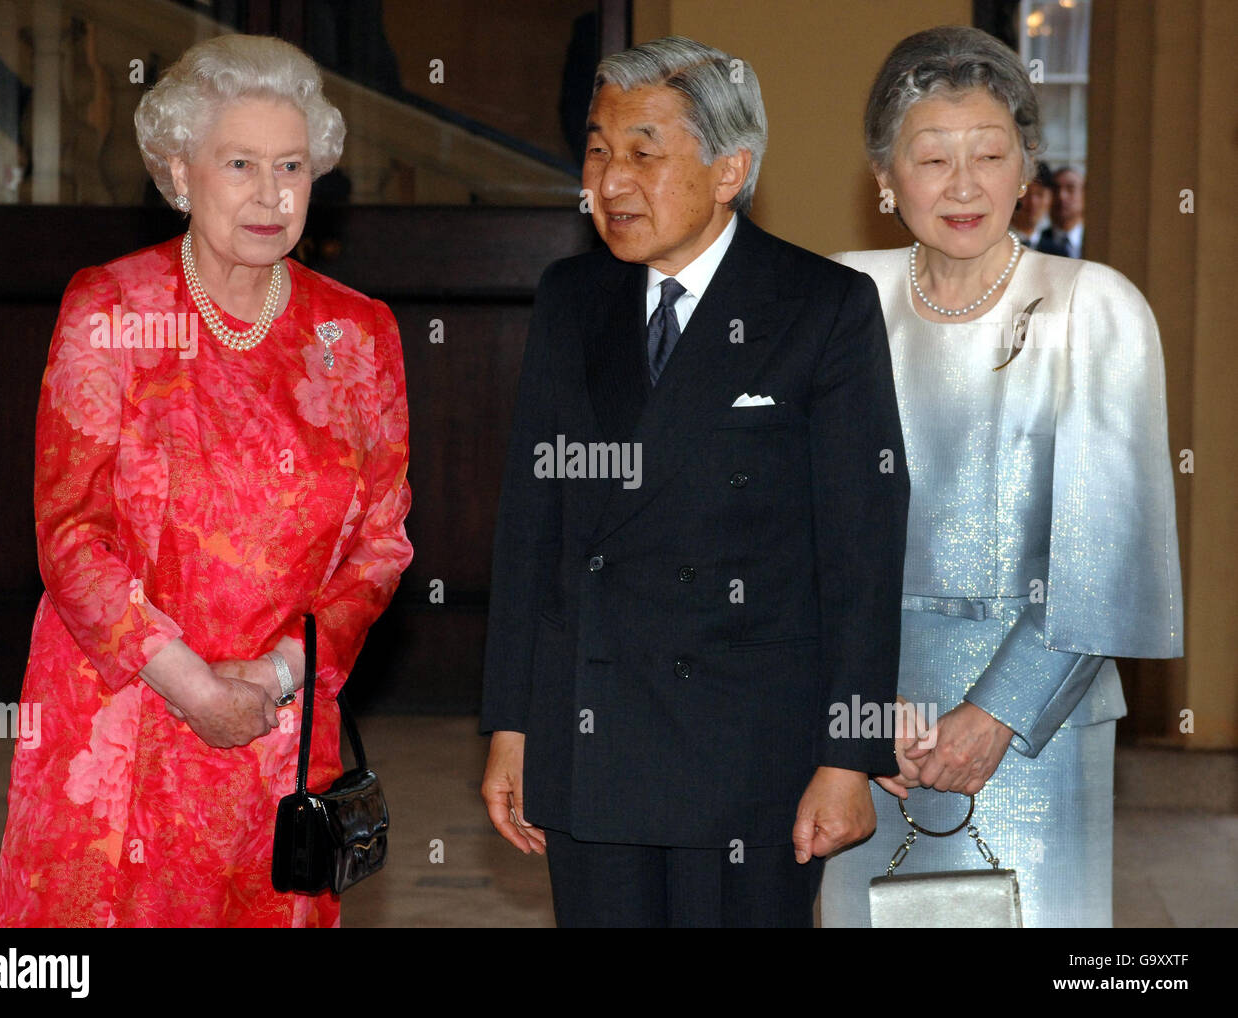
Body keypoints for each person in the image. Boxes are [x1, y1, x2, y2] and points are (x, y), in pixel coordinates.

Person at [479, 36, 909, 927]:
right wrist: (512, 725)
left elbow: (864, 550)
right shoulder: (571, 298)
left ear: (729, 171)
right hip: (591, 731)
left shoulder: (820, 306)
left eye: (644, 151)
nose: (612, 179)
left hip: (749, 752)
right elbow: (533, 527)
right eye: (598, 150)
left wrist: (849, 755)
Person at [0, 34, 413, 927]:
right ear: (179, 173)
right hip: (127, 719)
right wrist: (193, 686)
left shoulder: (360, 334)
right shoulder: (110, 308)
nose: (271, 193)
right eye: (240, 163)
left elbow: (382, 542)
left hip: (278, 727)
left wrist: (280, 675)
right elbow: (69, 533)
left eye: (292, 166)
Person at [821, 26, 1182, 927]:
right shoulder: (836, 301)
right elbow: (789, 528)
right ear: (884, 173)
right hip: (864, 717)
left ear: (1027, 166)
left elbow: (1107, 555)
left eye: (990, 153)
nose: (964, 184)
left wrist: (996, 715)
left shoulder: (1092, 308)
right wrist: (859, 709)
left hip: (1036, 727)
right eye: (931, 157)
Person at [1038, 166, 1084, 257]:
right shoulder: (1036, 244)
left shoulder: (1098, 242)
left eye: (1070, 189)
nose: (1061, 196)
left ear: (1084, 194)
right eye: (1055, 190)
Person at [1012, 161, 1054, 248]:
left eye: (1040, 194)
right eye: (1026, 194)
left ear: (1050, 198)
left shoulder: (1058, 253)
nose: (1033, 202)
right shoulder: (994, 246)